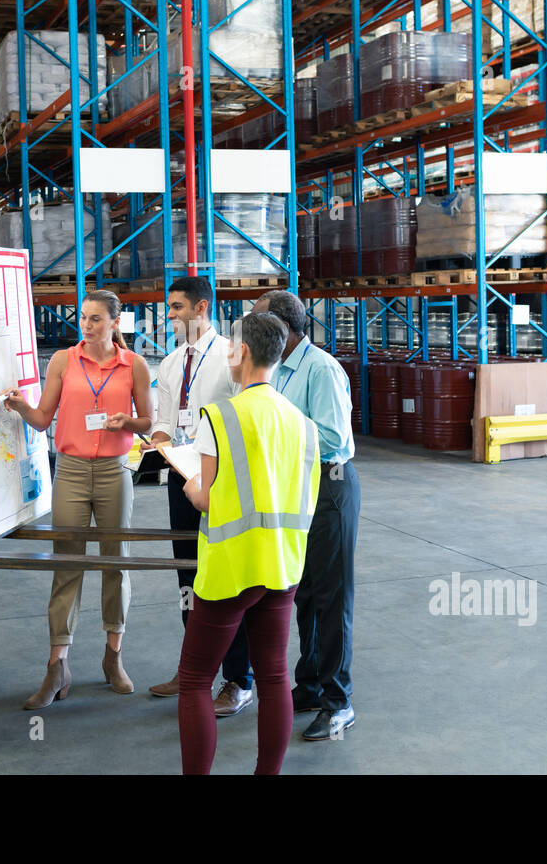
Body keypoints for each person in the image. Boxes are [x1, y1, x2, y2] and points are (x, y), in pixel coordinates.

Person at [179, 312, 320, 774]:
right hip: (282, 567)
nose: (225, 352)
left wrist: (192, 487)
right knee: (275, 674)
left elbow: (205, 497)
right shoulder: (303, 424)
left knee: (197, 681)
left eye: (229, 346)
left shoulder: (219, 416)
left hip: (230, 570)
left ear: (241, 352)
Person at [3, 289, 153, 709]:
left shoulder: (134, 365)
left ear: (114, 323)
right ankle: (57, 666)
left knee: (115, 564)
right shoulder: (63, 361)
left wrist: (129, 420)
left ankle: (113, 657)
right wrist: (19, 406)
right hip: (68, 470)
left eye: (95, 319)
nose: (86, 326)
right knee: (66, 563)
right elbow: (42, 419)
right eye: (84, 318)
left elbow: (148, 421)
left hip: (114, 471)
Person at [251, 290, 360, 741]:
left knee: (333, 596)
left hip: (329, 486)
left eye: (257, 325)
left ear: (280, 329)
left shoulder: (321, 369)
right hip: (296, 487)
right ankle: (311, 684)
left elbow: (332, 436)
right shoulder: (279, 370)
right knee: (306, 593)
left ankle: (339, 702)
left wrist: (277, 431)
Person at [146, 275, 254, 717]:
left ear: (201, 308)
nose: (169, 316)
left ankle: (239, 679)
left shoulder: (232, 356)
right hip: (181, 479)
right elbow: (166, 422)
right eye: (170, 308)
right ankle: (195, 671)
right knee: (187, 576)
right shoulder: (171, 363)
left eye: (176, 308)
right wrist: (154, 444)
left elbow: (244, 416)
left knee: (225, 578)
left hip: (221, 480)